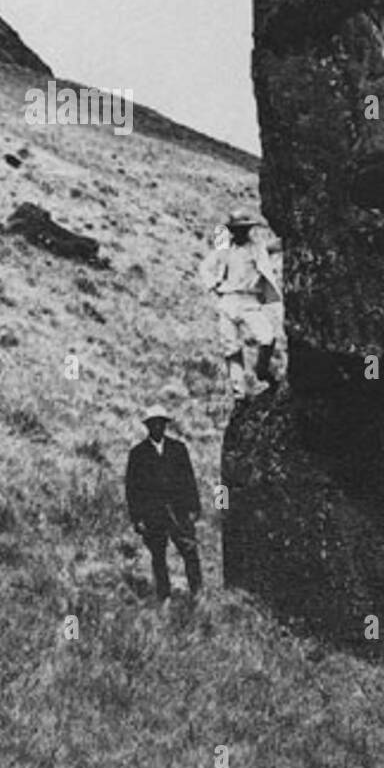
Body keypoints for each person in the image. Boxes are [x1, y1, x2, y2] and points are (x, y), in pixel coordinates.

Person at [199, 209, 282, 398]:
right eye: (236, 230)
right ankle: (239, 392)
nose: (240, 233)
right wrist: (214, 285)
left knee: (267, 337)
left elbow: (273, 248)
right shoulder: (224, 249)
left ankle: (262, 372)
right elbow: (205, 267)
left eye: (244, 229)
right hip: (228, 301)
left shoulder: (257, 248)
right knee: (231, 347)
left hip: (249, 300)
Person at [125, 405, 203, 602]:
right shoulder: (138, 454)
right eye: (153, 423)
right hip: (153, 514)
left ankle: (198, 592)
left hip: (179, 511)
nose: (158, 427)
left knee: (189, 551)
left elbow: (189, 480)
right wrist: (137, 518)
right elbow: (132, 490)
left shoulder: (178, 449)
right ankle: (164, 597)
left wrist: (194, 508)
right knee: (158, 556)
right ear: (148, 426)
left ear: (166, 425)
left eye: (161, 423)